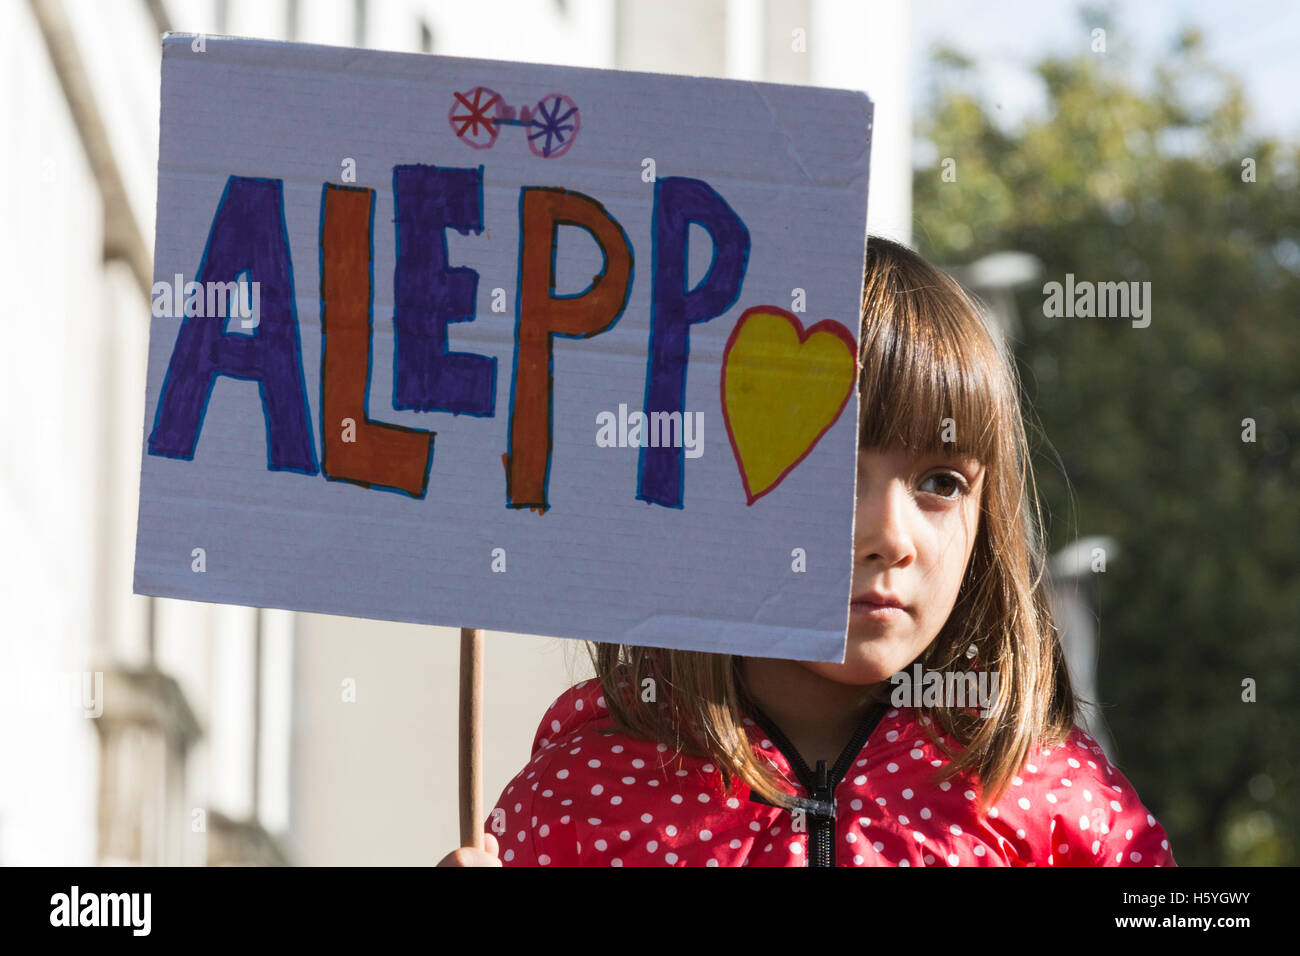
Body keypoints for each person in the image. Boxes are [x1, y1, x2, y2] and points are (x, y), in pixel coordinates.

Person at [438, 237, 1176, 867]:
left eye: (941, 483)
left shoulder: (1056, 800)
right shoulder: (582, 802)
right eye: (828, 471)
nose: (891, 537)